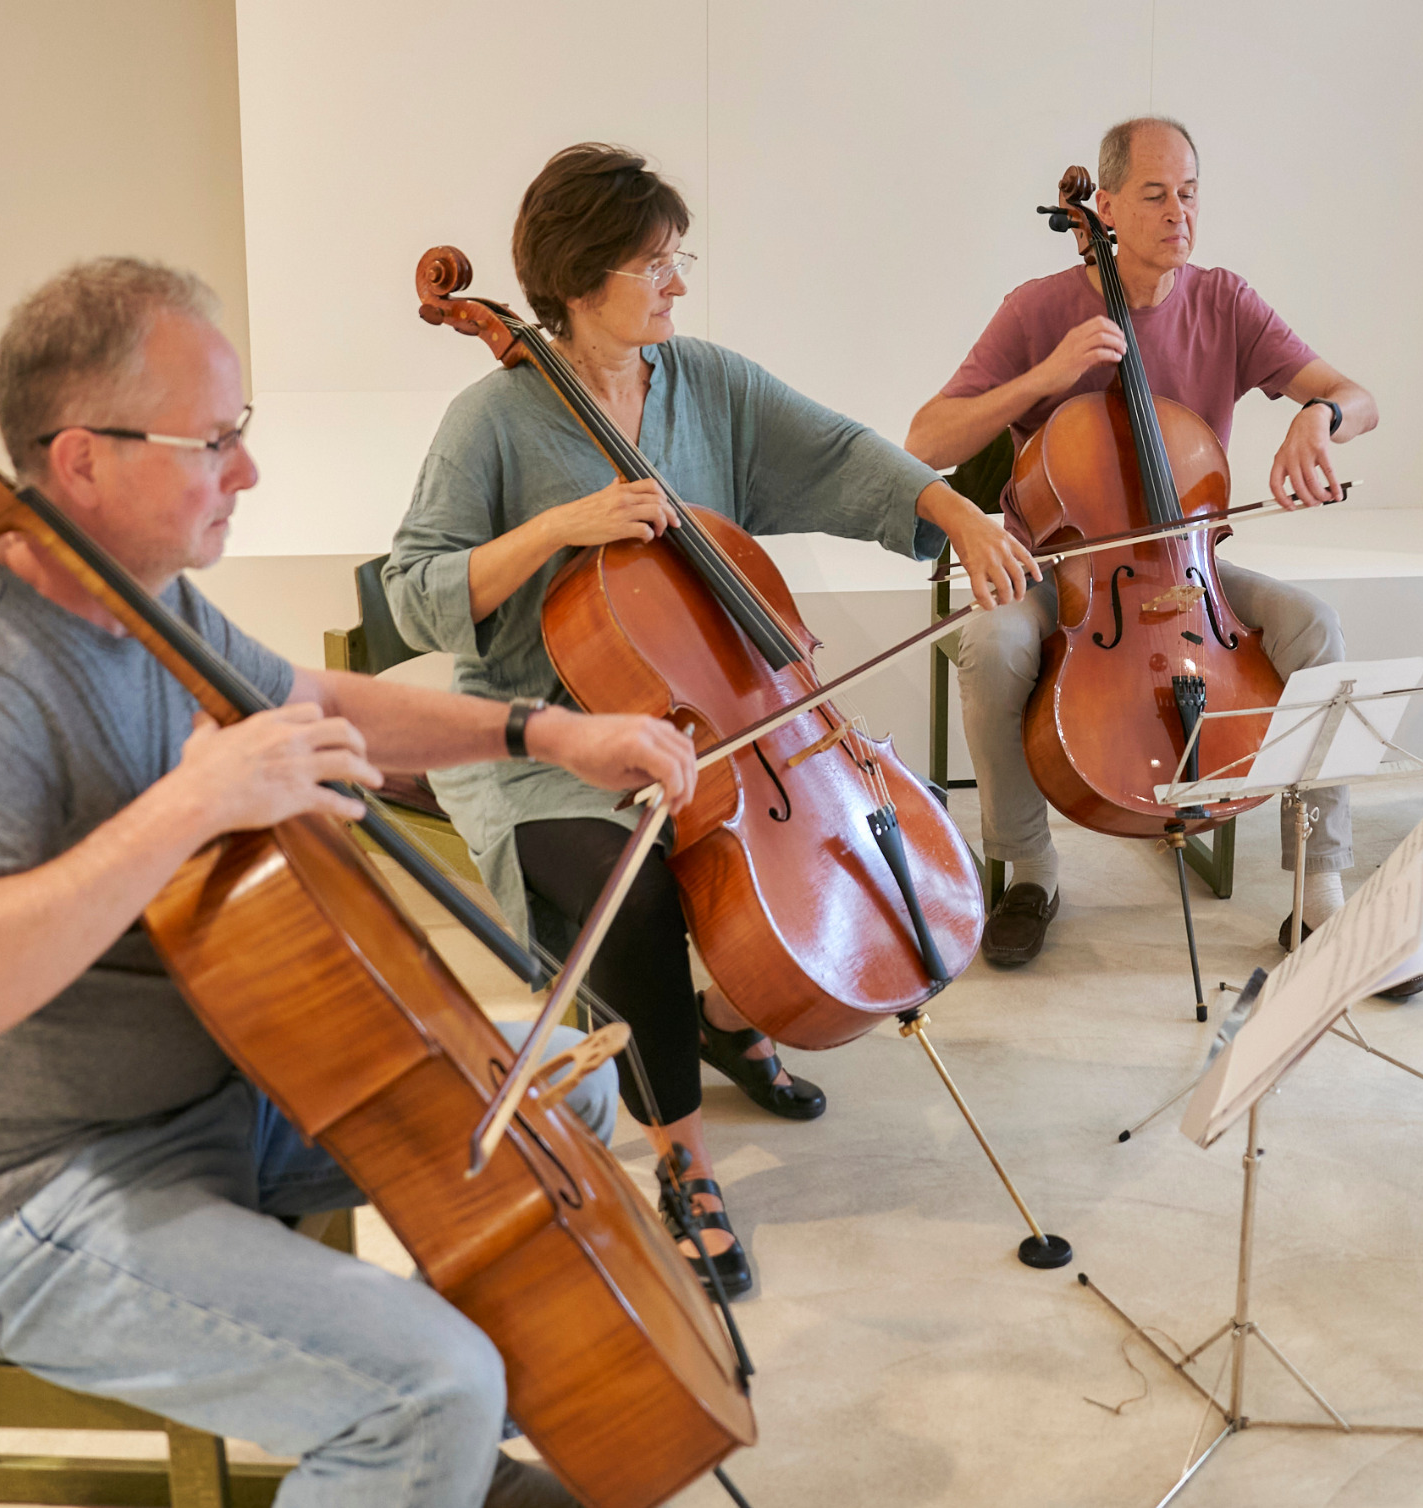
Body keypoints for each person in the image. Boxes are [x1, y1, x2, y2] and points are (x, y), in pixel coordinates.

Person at [0, 257, 699, 1506]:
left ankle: (414, 1461)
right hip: (30, 1193)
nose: (245, 469)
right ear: (81, 462)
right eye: (213, 441)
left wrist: (544, 731)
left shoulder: (143, 599)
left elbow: (310, 696)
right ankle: (410, 1430)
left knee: (566, 1086)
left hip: (214, 1099)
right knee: (432, 1383)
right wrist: (192, 802)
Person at [385, 144, 1037, 1291]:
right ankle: (683, 1158)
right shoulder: (487, 420)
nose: (677, 284)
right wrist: (557, 529)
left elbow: (836, 448)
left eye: (678, 259)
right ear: (579, 278)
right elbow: (412, 589)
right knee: (633, 889)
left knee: (790, 862)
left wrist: (956, 512)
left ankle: (732, 1016)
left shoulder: (705, 382)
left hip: (717, 718)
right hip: (543, 740)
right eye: (654, 264)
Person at [908, 115, 1398, 983]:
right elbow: (926, 438)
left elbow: (1358, 396)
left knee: (1315, 626)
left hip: (1188, 571)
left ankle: (1319, 883)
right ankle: (1031, 870)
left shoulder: (1224, 301)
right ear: (1104, 206)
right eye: (1155, 195)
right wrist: (1045, 377)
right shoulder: (1037, 309)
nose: (1179, 213)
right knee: (992, 641)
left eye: (1190, 193)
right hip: (1055, 569)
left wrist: (1318, 416)